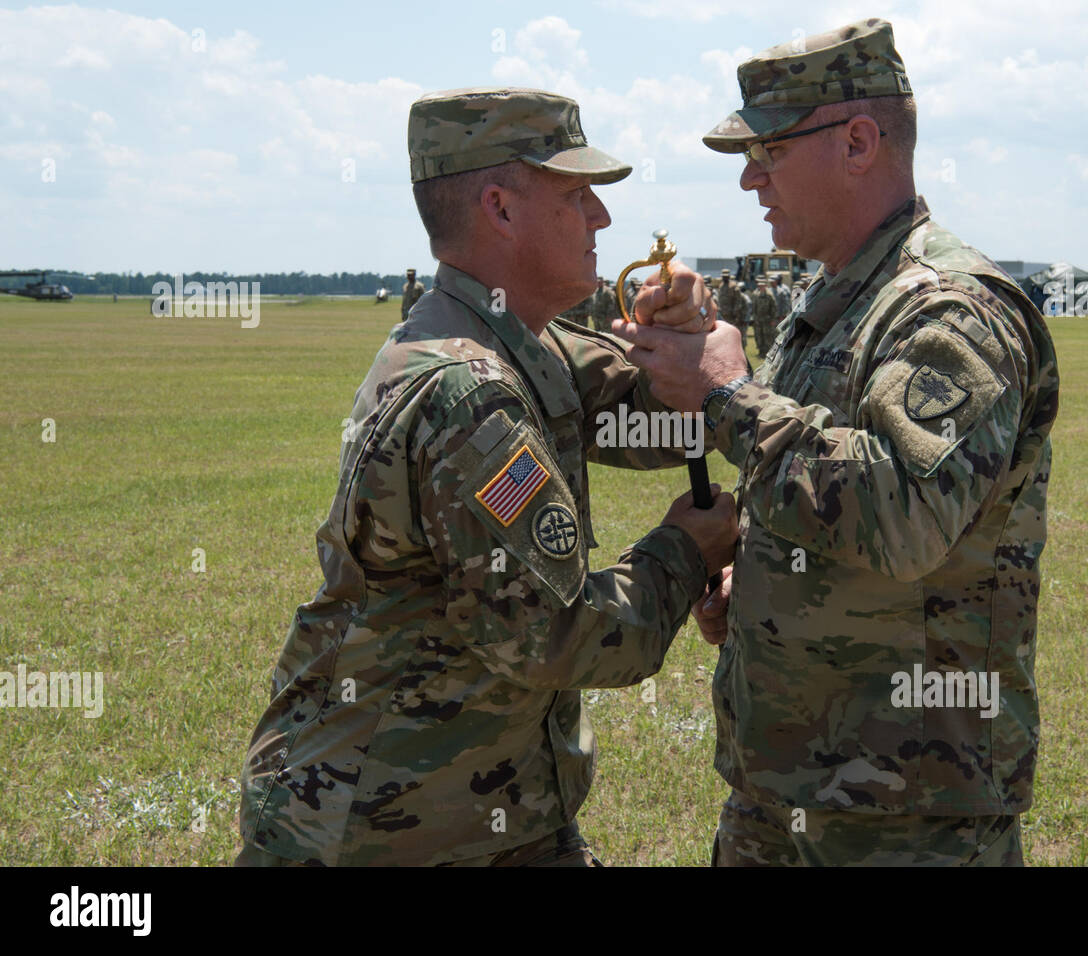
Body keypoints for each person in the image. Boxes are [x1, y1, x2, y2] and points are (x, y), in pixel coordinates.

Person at [237, 86, 735, 867]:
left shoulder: (522, 344)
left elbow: (669, 422)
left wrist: (683, 346)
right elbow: (558, 636)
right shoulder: (468, 391)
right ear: (501, 209)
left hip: (478, 814)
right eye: (578, 195)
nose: (602, 218)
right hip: (388, 830)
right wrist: (685, 549)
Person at [615, 18, 1059, 866]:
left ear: (858, 142)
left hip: (905, 811)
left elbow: (904, 516)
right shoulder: (839, 302)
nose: (749, 179)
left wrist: (726, 395)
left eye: (770, 151)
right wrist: (765, 576)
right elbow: (827, 489)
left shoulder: (949, 310)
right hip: (788, 785)